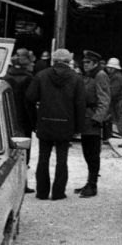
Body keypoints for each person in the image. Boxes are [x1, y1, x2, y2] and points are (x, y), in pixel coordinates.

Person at [26, 48, 85, 201]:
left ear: (53, 60)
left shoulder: (41, 76)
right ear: (68, 61)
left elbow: (30, 98)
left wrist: (34, 121)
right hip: (66, 124)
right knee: (62, 160)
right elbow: (80, 105)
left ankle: (42, 192)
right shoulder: (76, 78)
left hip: (45, 122)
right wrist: (78, 127)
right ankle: (58, 193)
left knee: (43, 159)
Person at [74, 51, 110, 198]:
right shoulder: (88, 76)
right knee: (87, 152)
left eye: (88, 62)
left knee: (93, 153)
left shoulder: (100, 75)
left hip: (93, 119)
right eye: (84, 62)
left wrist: (98, 118)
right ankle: (89, 182)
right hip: (86, 117)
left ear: (95, 63)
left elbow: (104, 98)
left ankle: (92, 184)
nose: (85, 64)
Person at [3, 47, 37, 192]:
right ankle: (23, 183)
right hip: (23, 121)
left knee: (8, 151)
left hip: (8, 119)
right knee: (23, 153)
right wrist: (34, 122)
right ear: (27, 62)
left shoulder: (6, 76)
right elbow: (29, 102)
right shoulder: (29, 78)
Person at [104, 58, 122, 148]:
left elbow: (113, 92)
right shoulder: (114, 76)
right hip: (116, 101)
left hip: (119, 101)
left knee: (120, 122)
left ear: (114, 68)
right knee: (110, 120)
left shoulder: (117, 77)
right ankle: (107, 137)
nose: (108, 69)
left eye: (110, 67)